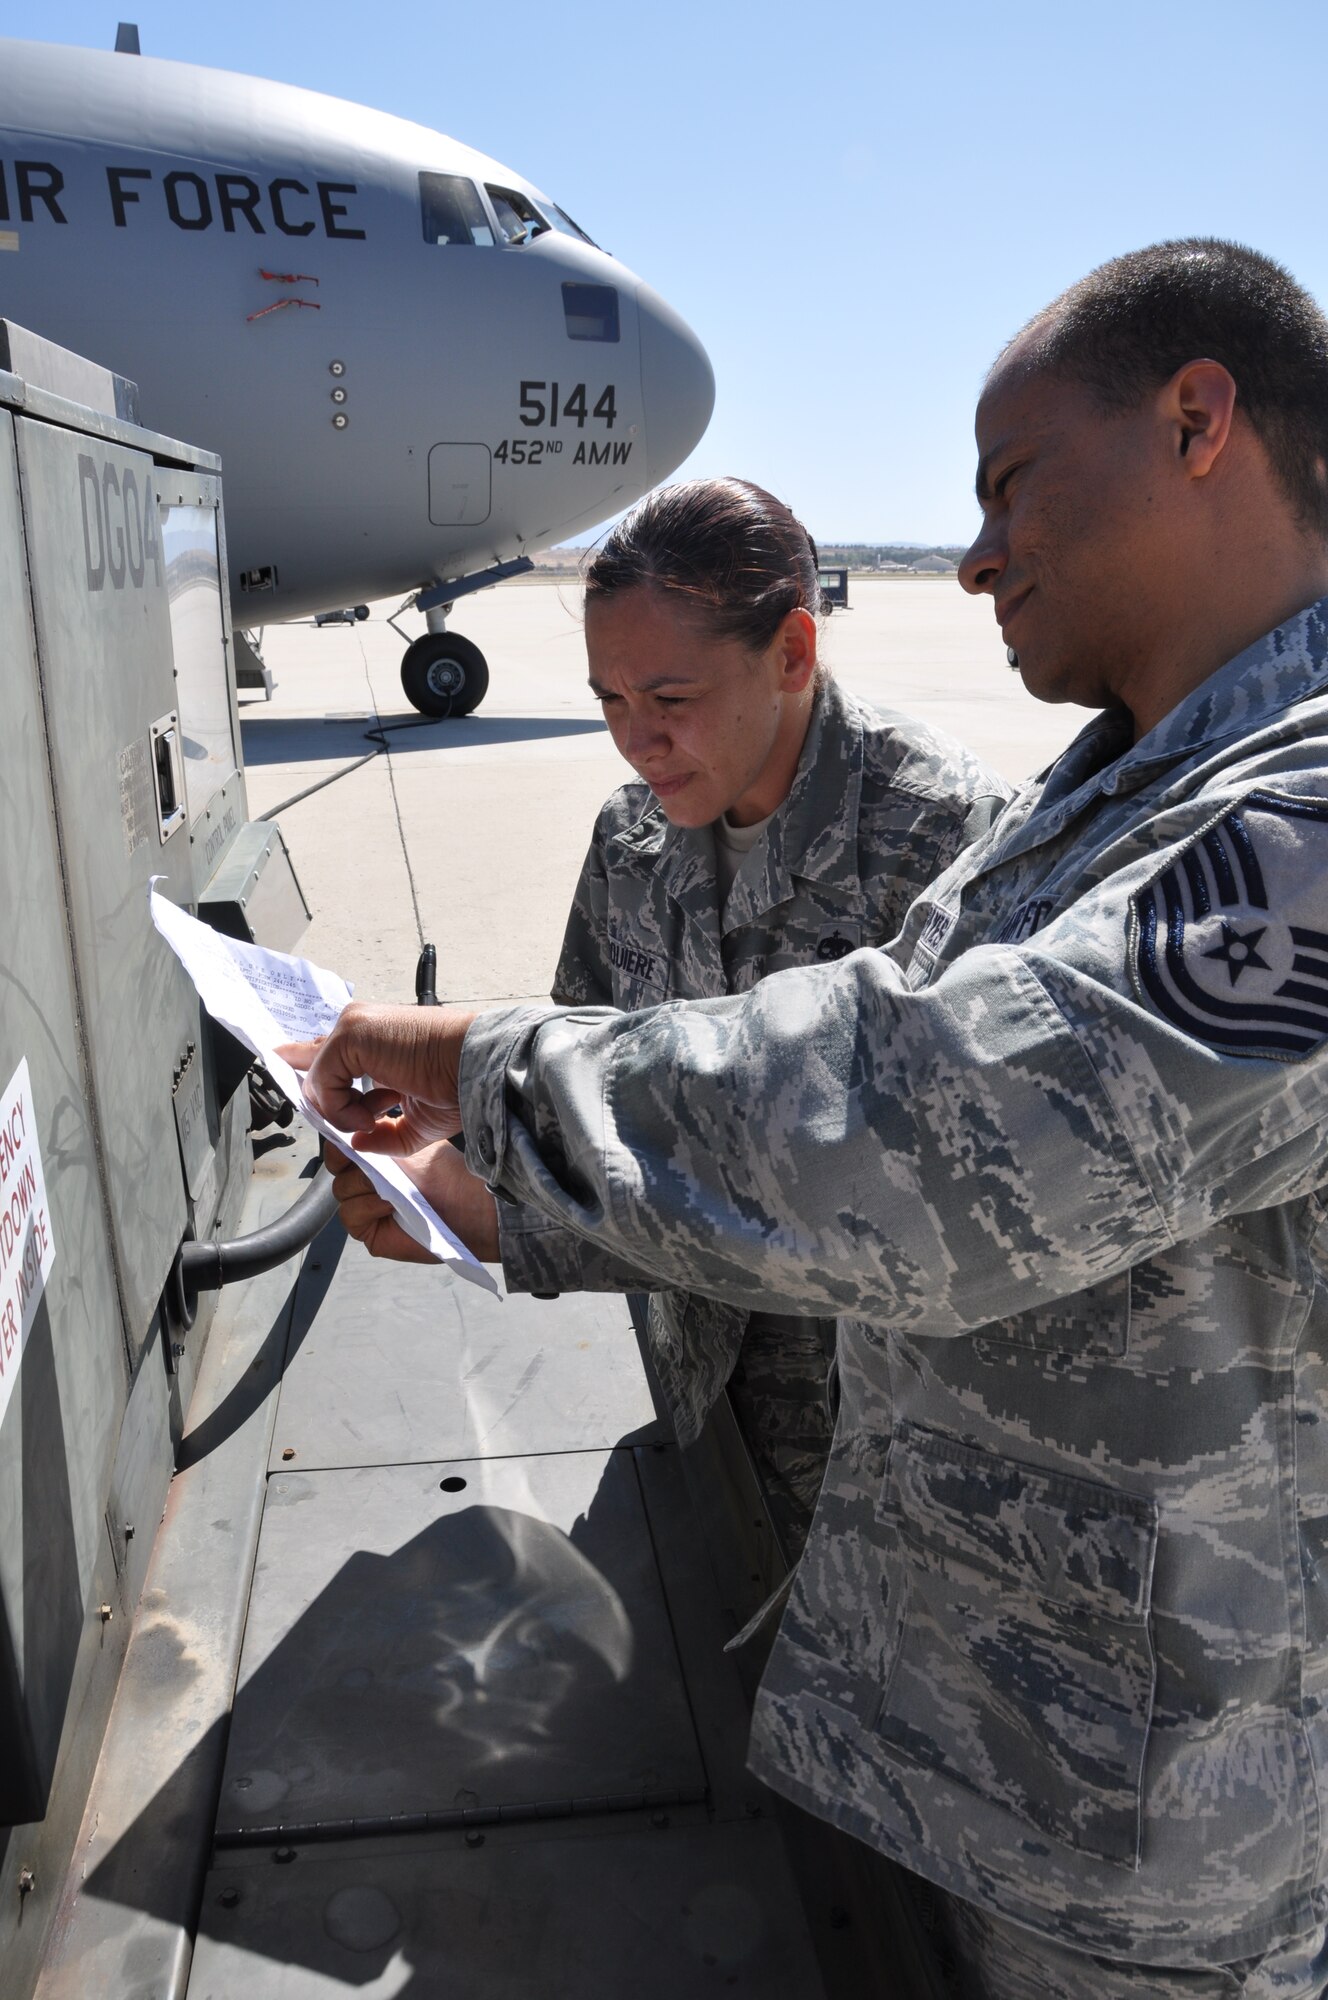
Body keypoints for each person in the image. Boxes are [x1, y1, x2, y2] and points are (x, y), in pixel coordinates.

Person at [287, 240, 1328, 1998]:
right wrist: (499, 1200)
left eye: (1012, 483)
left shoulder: (1296, 807)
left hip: (1165, 1823)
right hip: (1005, 1741)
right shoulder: (1112, 787)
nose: (977, 554)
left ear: (1196, 420)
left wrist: (492, 1071)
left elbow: (937, 1129)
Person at [549, 476, 1008, 1556]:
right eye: (609, 701)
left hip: (880, 1455)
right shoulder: (631, 839)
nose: (636, 741)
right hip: (695, 1382)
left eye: (669, 697)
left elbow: (966, 1191)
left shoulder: (943, 839)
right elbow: (580, 1066)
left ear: (791, 652)